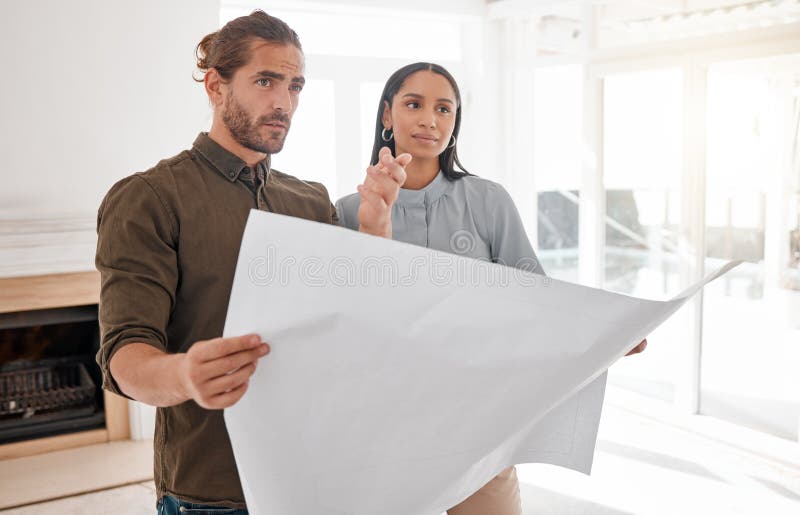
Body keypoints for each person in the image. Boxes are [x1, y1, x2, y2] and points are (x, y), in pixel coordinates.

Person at [95, 11, 406, 514]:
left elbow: (357, 321)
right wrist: (185, 375)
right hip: (212, 492)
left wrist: (375, 225)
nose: (284, 102)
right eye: (265, 81)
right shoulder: (149, 198)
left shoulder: (310, 200)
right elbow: (125, 357)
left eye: (295, 85)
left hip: (311, 474)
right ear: (215, 86)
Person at [336, 62, 648, 515]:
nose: (430, 119)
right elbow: (350, 321)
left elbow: (537, 299)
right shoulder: (349, 211)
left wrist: (603, 336)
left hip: (476, 430)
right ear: (387, 115)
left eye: (444, 109)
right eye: (414, 104)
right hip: (387, 429)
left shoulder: (488, 200)